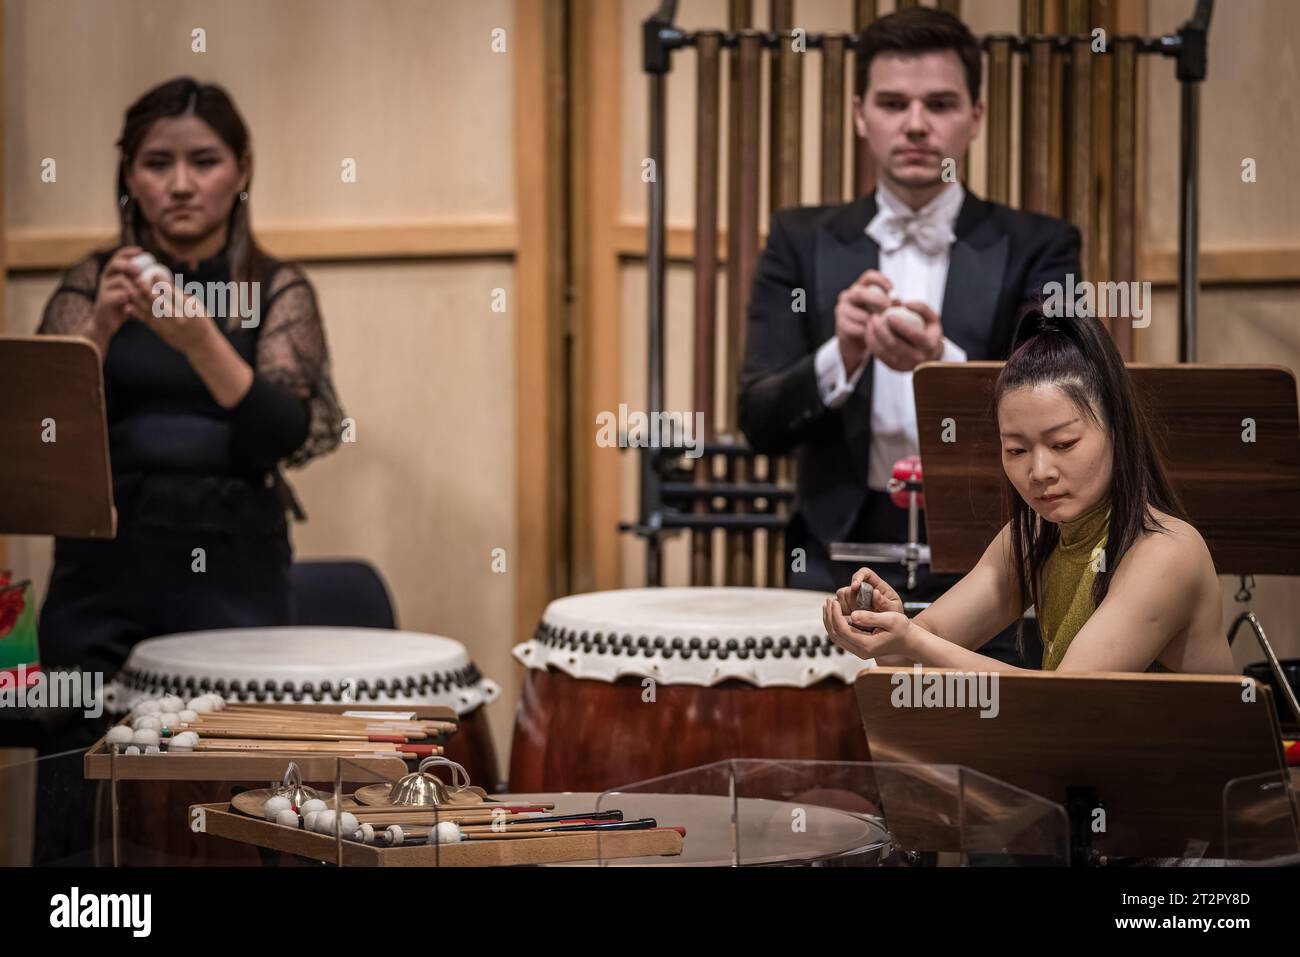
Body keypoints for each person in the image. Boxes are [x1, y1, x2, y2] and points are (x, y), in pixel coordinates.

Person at [738, 7, 1080, 665]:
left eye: (941, 103)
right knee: (831, 757)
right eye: (893, 103)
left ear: (976, 116)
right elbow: (758, 420)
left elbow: (1070, 399)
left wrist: (942, 366)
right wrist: (840, 354)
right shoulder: (797, 241)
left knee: (983, 753)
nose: (917, 123)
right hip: (837, 550)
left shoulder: (1042, 245)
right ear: (860, 114)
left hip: (996, 556)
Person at [35, 77, 343, 678]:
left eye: (204, 162)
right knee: (77, 752)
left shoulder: (274, 288)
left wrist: (200, 340)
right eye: (156, 163)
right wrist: (99, 325)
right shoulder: (93, 281)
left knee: (226, 762)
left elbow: (282, 435)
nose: (180, 185)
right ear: (128, 175)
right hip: (101, 566)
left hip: (234, 565)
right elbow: (41, 428)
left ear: (242, 168)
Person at [822, 307, 1234, 675]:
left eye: (1063, 444)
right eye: (1016, 450)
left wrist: (912, 640)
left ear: (1117, 430)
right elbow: (921, 646)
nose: (1038, 471)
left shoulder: (1166, 552)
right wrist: (885, 627)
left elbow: (1063, 701)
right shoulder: (1035, 536)